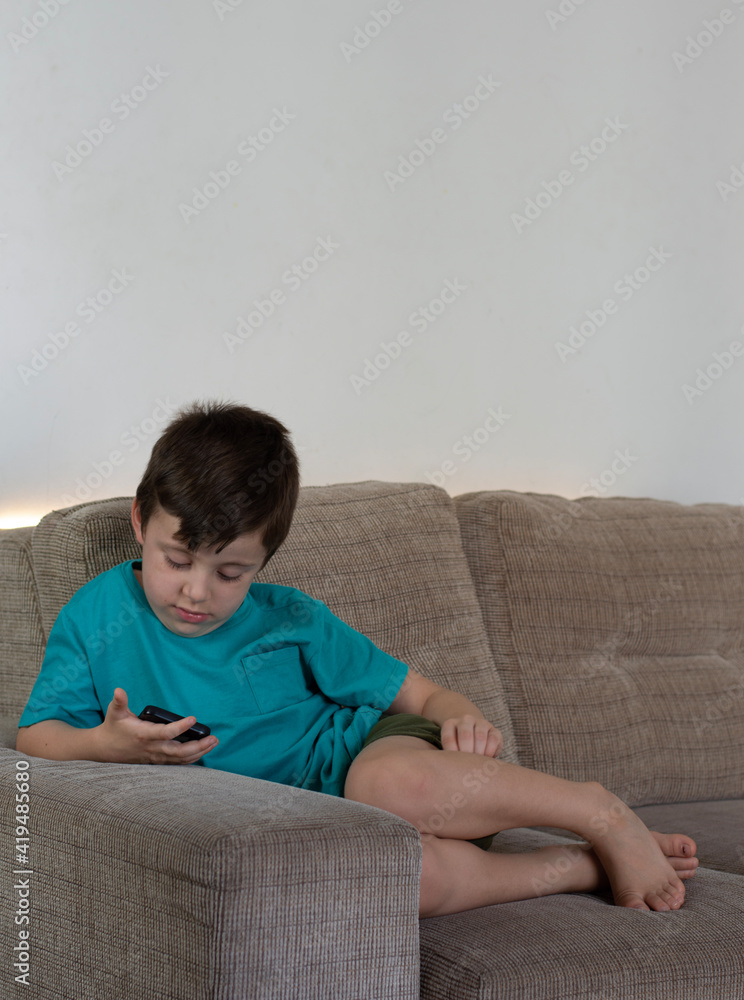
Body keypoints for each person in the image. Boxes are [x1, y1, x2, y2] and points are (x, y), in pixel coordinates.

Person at [16, 400, 699, 919]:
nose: (197, 592)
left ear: (263, 560)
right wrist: (106, 746)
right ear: (141, 521)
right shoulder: (95, 616)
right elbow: (35, 737)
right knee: (388, 878)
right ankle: (580, 867)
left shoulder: (290, 618)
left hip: (386, 761)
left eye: (229, 573)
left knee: (384, 787)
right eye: (177, 560)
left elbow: (421, 697)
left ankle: (598, 811)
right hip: (341, 832)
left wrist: (460, 712)